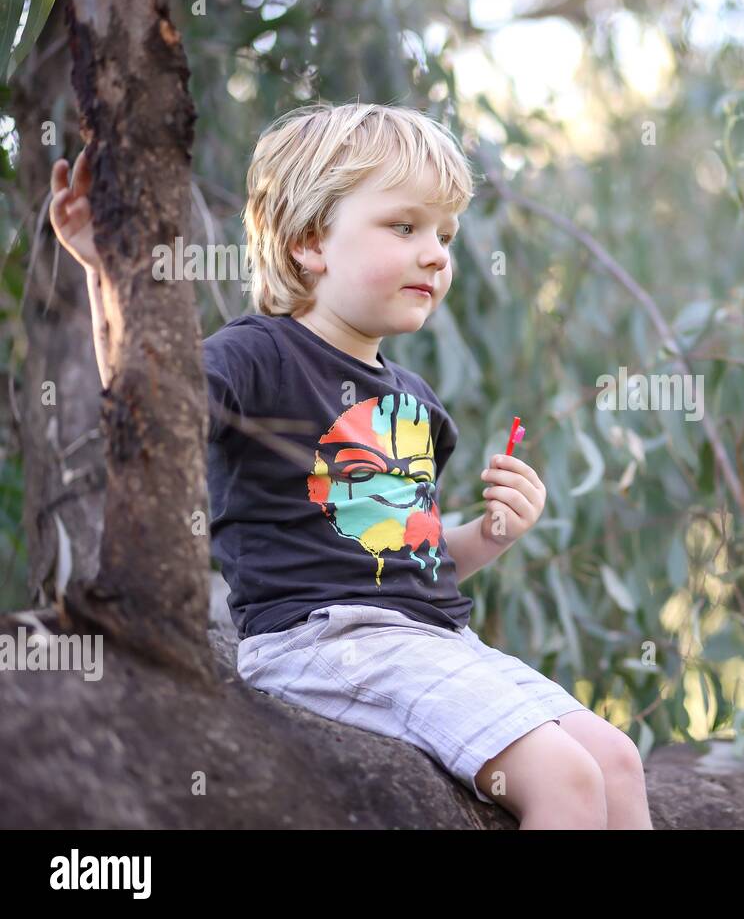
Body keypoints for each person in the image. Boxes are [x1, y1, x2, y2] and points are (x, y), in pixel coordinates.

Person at [48, 101, 652, 830]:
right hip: (325, 640)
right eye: (405, 226)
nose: (436, 253)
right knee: (564, 781)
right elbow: (146, 404)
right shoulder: (257, 355)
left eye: (446, 234)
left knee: (615, 760)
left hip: (436, 639)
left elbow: (412, 556)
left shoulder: (415, 403)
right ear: (309, 243)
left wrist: (491, 534)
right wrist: (103, 271)